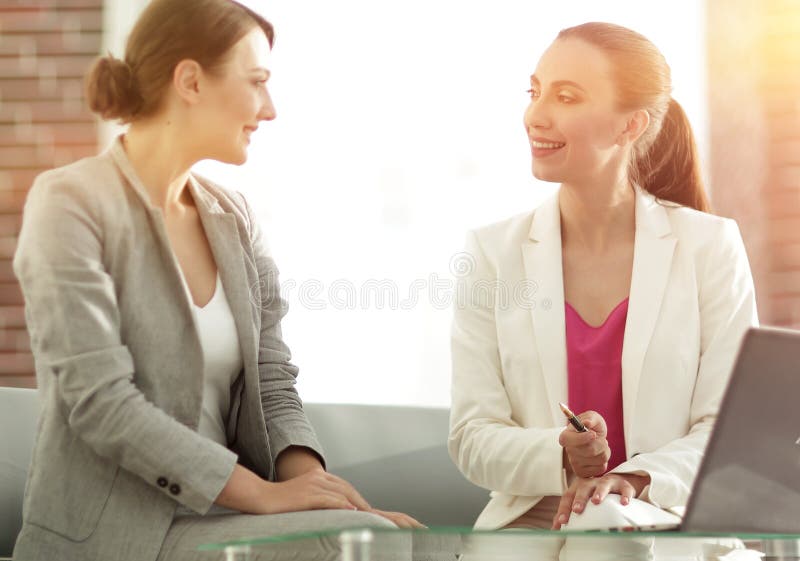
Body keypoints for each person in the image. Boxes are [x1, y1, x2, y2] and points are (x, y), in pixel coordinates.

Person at [11, 1, 420, 560]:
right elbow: (101, 402)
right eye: (257, 81)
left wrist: (317, 491)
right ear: (191, 81)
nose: (269, 109)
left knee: (381, 538)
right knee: (361, 547)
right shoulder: (70, 203)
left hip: (222, 523)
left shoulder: (235, 218)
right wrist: (265, 495)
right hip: (118, 537)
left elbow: (271, 380)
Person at [448, 20, 758, 540]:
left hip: (658, 515)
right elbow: (472, 436)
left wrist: (635, 478)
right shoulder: (492, 253)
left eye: (566, 97)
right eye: (535, 92)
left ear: (630, 126)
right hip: (529, 522)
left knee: (604, 529)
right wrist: (559, 450)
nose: (535, 115)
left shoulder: (709, 246)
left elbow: (730, 429)